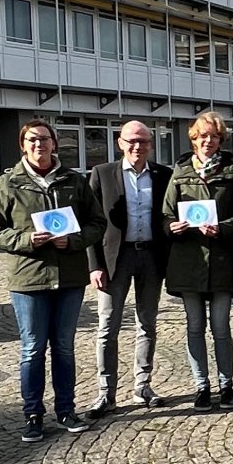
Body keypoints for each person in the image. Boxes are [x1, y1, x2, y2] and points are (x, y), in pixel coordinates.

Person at [0, 119, 107, 442]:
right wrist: (26, 240)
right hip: (29, 279)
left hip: (69, 277)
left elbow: (97, 223)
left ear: (54, 144)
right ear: (23, 145)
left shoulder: (74, 181)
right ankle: (33, 414)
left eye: (45, 139)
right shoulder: (8, 184)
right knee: (32, 349)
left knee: (63, 347)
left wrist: (75, 239)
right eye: (33, 140)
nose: (40, 145)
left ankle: (66, 409)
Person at [85, 121, 173, 419]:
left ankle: (143, 385)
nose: (138, 147)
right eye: (132, 141)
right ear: (120, 143)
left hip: (151, 257)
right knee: (108, 327)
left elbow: (168, 216)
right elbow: (90, 223)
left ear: (151, 144)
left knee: (147, 323)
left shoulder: (164, 175)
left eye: (144, 142)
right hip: (115, 260)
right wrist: (94, 265)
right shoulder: (102, 173)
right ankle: (105, 392)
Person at [163, 111, 233, 412]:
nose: (208, 141)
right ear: (193, 137)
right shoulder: (180, 172)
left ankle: (226, 384)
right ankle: (202, 386)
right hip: (188, 260)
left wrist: (223, 228)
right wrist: (171, 227)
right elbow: (166, 214)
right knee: (194, 327)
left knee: (221, 326)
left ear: (221, 139)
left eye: (214, 136)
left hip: (221, 259)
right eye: (202, 135)